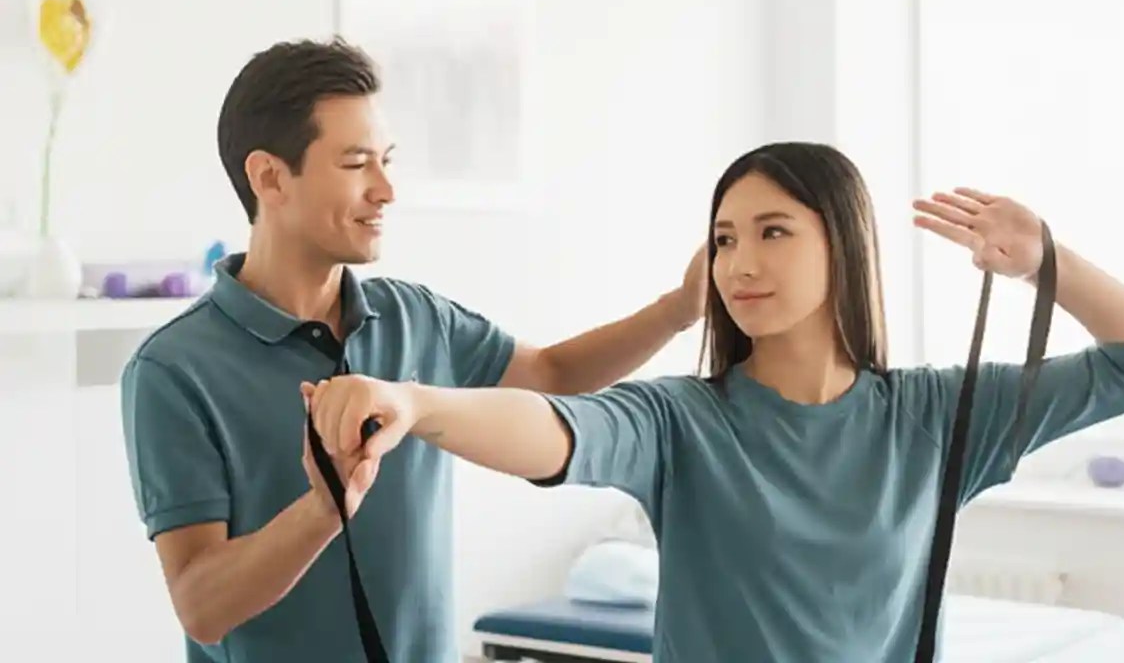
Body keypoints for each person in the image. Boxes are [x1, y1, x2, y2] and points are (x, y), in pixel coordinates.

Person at [307, 141, 1124, 662]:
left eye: (773, 232)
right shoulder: (681, 422)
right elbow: (555, 428)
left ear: (843, 244)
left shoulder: (935, 419)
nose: (739, 264)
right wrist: (419, 404)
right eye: (725, 238)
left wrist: (1048, 259)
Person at [118, 37, 707, 663]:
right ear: (269, 177)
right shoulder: (172, 370)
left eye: (386, 160)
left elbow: (553, 375)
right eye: (356, 164)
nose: (387, 190)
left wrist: (680, 309)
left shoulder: (416, 316)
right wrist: (323, 508)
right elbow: (202, 606)